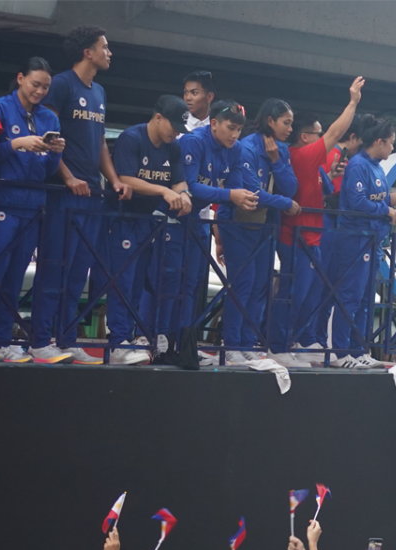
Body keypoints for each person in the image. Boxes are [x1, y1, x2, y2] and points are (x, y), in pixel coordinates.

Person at [30, 26, 131, 364]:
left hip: (93, 194)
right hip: (64, 193)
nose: (109, 52)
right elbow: (49, 135)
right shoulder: (60, 84)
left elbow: (100, 141)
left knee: (79, 272)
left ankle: (67, 338)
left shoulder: (100, 91)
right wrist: (69, 176)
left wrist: (114, 180)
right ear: (88, 52)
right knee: (54, 267)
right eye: (105, 46)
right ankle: (40, 340)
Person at [0, 56, 64, 363]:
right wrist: (19, 143)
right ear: (20, 78)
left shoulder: (49, 117)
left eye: (45, 87)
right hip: (4, 199)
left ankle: (2, 339)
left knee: (15, 275)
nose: (39, 91)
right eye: (35, 84)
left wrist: (54, 152)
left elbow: (49, 170)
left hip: (34, 203)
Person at [269, 77, 364, 369]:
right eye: (317, 133)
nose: (324, 137)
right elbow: (338, 131)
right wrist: (352, 103)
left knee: (310, 293)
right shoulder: (301, 155)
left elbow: (316, 186)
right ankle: (278, 345)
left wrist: (331, 174)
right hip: (296, 235)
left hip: (312, 235)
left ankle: (304, 340)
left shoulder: (309, 159)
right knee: (293, 293)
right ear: (305, 137)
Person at [328, 116, 396, 368]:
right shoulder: (358, 165)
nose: (393, 148)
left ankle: (359, 350)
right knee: (349, 297)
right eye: (391, 143)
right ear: (379, 141)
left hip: (373, 242)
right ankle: (341, 352)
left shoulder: (376, 168)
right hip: (355, 240)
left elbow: (383, 200)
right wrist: (387, 213)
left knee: (365, 300)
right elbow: (357, 200)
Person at [108, 95, 192, 365]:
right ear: (158, 118)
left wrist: (185, 195)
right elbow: (126, 179)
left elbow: (179, 181)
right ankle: (117, 342)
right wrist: (165, 191)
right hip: (122, 217)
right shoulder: (132, 138)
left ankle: (132, 339)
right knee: (121, 280)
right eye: (173, 126)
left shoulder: (174, 147)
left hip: (149, 221)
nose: (176, 133)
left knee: (138, 284)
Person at [216, 97, 299, 365]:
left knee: (261, 285)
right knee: (243, 284)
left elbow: (291, 187)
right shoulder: (246, 147)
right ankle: (231, 346)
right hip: (238, 225)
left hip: (266, 227)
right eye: (285, 123)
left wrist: (276, 161)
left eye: (292, 123)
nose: (289, 128)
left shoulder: (281, 150)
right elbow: (254, 193)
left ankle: (247, 342)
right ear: (270, 121)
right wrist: (286, 204)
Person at [178, 100, 258, 365]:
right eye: (231, 128)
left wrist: (242, 199)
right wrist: (231, 195)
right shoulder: (193, 142)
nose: (235, 135)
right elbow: (189, 187)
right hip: (171, 218)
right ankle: (158, 343)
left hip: (199, 220)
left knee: (192, 285)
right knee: (167, 284)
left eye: (239, 130)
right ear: (214, 124)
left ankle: (186, 345)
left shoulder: (234, 150)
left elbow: (233, 191)